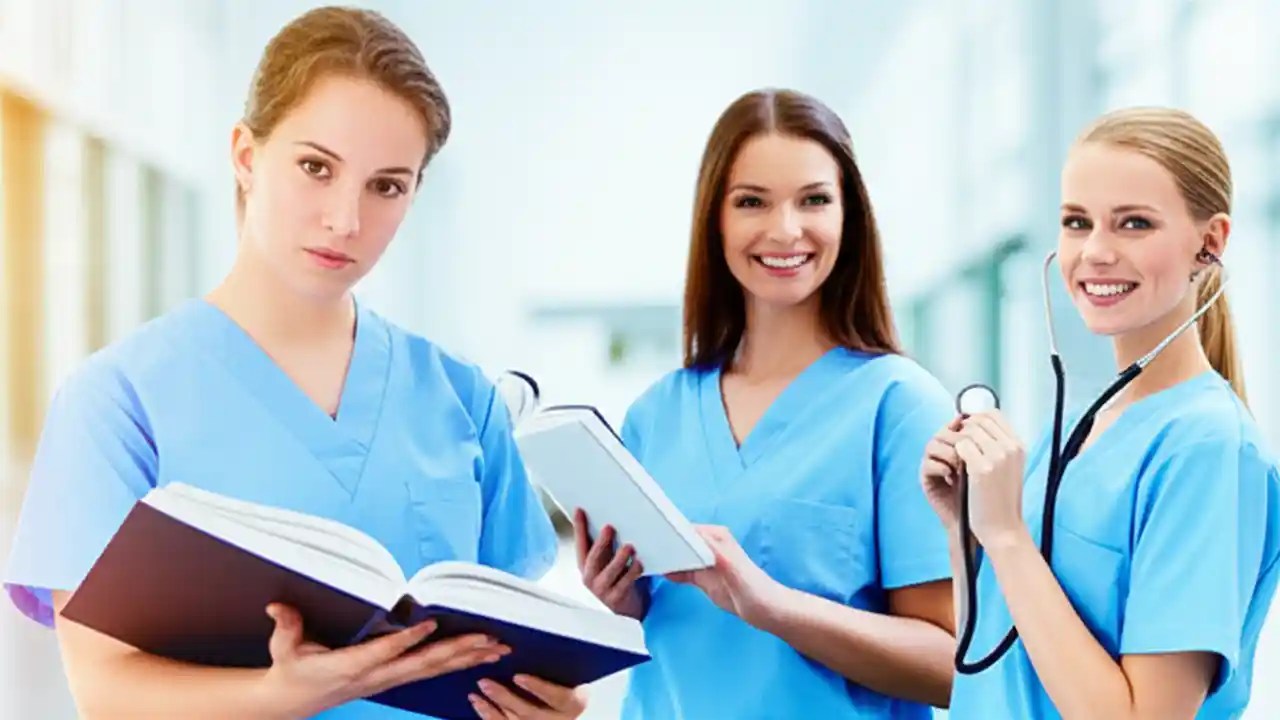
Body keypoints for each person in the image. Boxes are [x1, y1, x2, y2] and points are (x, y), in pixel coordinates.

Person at [3, 7, 586, 720]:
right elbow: (106, 690)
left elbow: (512, 653)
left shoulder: (465, 399)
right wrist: (279, 697)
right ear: (246, 157)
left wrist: (547, 707)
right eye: (316, 168)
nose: (345, 220)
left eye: (386, 186)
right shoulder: (118, 401)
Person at [575, 88, 958, 719]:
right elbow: (672, 633)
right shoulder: (655, 414)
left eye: (814, 200)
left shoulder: (900, 407)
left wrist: (773, 606)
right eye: (752, 201)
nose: (785, 229)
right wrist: (623, 600)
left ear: (849, 218)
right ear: (716, 221)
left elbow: (949, 667)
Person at [922, 107, 1280, 719]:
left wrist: (1006, 535)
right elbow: (998, 658)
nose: (1095, 251)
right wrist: (968, 531)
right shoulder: (1082, 425)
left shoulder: (1208, 449)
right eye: (1077, 222)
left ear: (1210, 242)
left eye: (1134, 223)